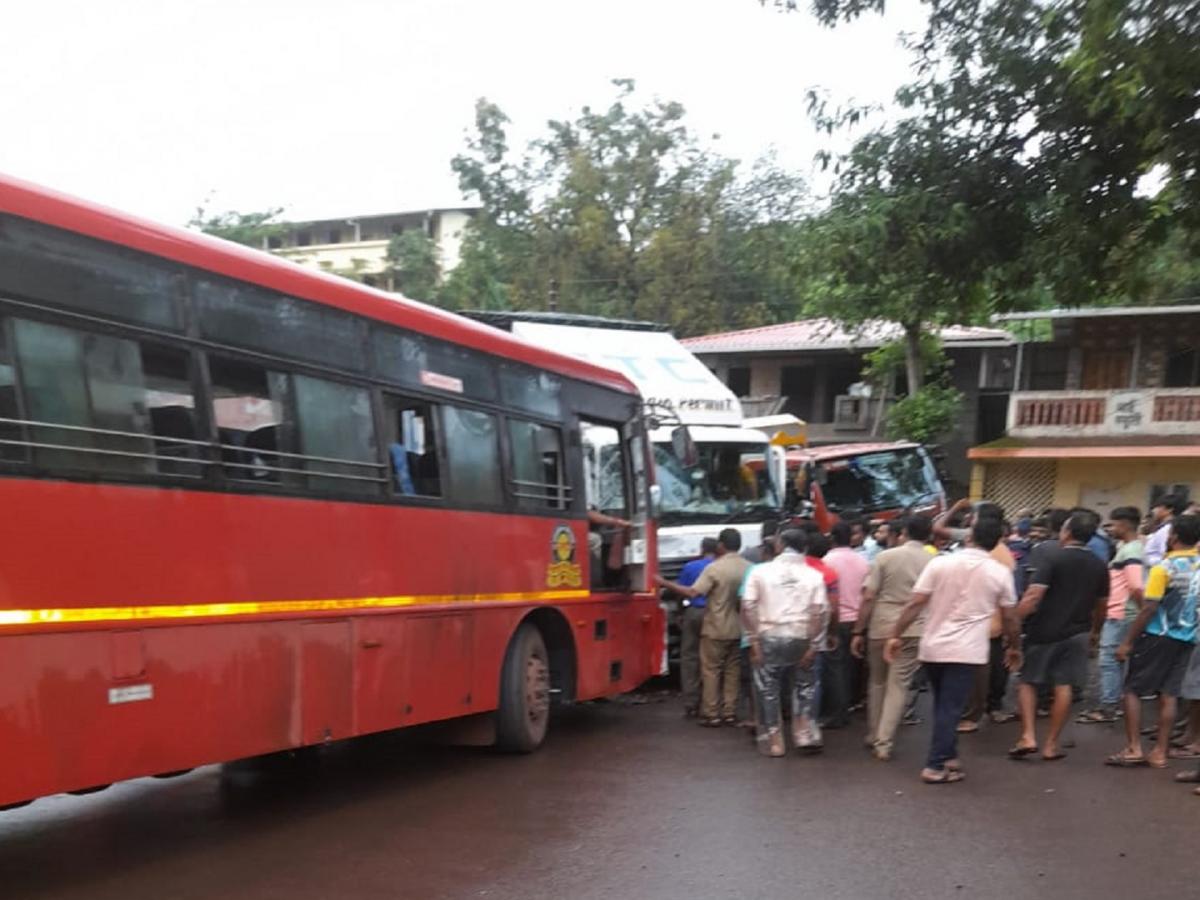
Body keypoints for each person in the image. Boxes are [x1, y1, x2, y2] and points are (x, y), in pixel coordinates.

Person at [884, 517, 1020, 783]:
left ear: (968, 537)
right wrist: (1014, 646)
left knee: (944, 705)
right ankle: (935, 766)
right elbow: (1011, 618)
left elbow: (915, 603)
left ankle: (948, 756)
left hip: (933, 646)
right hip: (967, 650)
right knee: (950, 707)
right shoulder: (999, 572)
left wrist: (895, 633)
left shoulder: (940, 563)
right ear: (997, 542)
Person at [1010, 511, 1110, 761]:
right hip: (1078, 632)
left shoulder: (1053, 558)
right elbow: (1102, 605)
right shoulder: (1099, 565)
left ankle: (1028, 735)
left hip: (1044, 630)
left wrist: (1014, 621)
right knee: (1063, 686)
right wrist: (1095, 632)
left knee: (1028, 681)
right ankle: (1051, 744)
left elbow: (1033, 597)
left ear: (1067, 532)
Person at [1107, 514, 1200, 770]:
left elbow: (1149, 608)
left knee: (1133, 690)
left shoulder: (1163, 569)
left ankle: (1134, 747)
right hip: (1188, 637)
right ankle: (1160, 751)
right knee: (1169, 695)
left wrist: (1127, 641)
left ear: (1174, 537)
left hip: (1159, 635)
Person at [851, 514, 934, 761]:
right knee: (899, 685)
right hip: (916, 628)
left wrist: (858, 630)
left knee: (877, 682)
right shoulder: (934, 561)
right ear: (928, 535)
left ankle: (874, 733)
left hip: (882, 626)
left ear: (903, 533)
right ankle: (884, 742)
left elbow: (868, 597)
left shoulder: (884, 558)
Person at [742, 528, 831, 757]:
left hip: (769, 634)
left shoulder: (760, 572)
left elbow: (748, 605)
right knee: (805, 687)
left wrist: (753, 639)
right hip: (802, 635)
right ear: (805, 548)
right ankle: (803, 734)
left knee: (768, 689)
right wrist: (814, 644)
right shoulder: (814, 575)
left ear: (780, 545)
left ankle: (774, 741)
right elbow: (819, 611)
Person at [655, 528, 750, 727]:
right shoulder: (749, 567)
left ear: (721, 545)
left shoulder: (715, 568)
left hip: (716, 625)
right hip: (739, 627)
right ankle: (730, 712)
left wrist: (664, 583)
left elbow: (692, 592)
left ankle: (711, 712)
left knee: (711, 669)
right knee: (732, 670)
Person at [1077, 507, 1144, 724]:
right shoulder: (1127, 548)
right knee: (1116, 661)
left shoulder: (1132, 551)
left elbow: (1135, 585)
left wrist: (1143, 611)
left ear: (1124, 524)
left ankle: (1108, 707)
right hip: (1122, 612)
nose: (1110, 529)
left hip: (1122, 613)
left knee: (1109, 661)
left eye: (1113, 524)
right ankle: (1113, 703)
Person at [822, 522, 870, 728]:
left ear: (832, 538)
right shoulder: (863, 561)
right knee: (852, 666)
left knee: (835, 668)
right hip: (858, 620)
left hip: (837, 619)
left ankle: (838, 712)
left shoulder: (827, 561)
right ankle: (851, 703)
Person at [676, 537, 718, 719]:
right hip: (713, 614)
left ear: (701, 549)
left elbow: (681, 591)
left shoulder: (690, 567)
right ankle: (713, 703)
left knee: (690, 657)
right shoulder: (720, 567)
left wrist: (680, 613)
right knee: (712, 660)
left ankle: (691, 703)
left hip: (693, 612)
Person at [1145, 493, 1186, 567]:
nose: (1154, 510)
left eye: (1157, 507)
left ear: (1169, 510)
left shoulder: (1167, 530)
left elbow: (1165, 556)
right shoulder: (1165, 528)